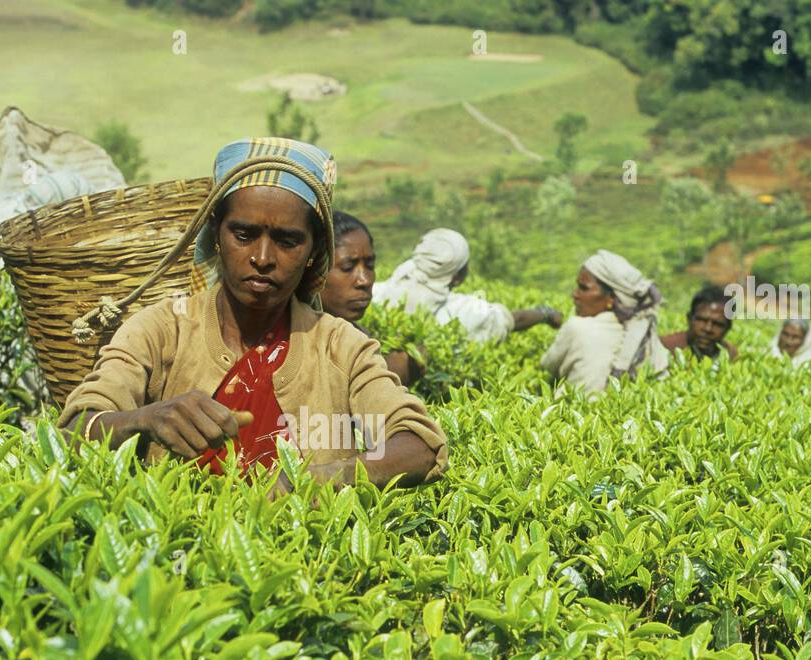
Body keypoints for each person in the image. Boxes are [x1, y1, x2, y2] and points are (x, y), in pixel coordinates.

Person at [59, 137, 448, 489]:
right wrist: (144, 419)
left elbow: (417, 445)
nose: (263, 258)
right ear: (216, 232)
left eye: (288, 240)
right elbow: (75, 428)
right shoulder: (161, 329)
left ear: (314, 249)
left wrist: (323, 480)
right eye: (243, 234)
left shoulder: (341, 346)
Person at [373, 228, 560, 342]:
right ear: (457, 276)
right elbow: (513, 320)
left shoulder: (375, 294)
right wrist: (546, 313)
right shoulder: (465, 311)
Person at [539, 249, 669, 395]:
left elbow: (547, 365)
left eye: (584, 288)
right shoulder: (645, 336)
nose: (575, 294)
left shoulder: (577, 327)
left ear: (611, 299)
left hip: (569, 413)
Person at [319, 211, 423, 387]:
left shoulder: (358, 333)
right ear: (315, 270)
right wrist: (395, 371)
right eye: (347, 267)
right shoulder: (295, 341)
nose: (364, 280)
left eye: (370, 265)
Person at [661, 285, 738, 364]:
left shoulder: (730, 353)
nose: (708, 329)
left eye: (718, 324)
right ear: (689, 319)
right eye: (702, 320)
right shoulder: (664, 348)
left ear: (728, 327)